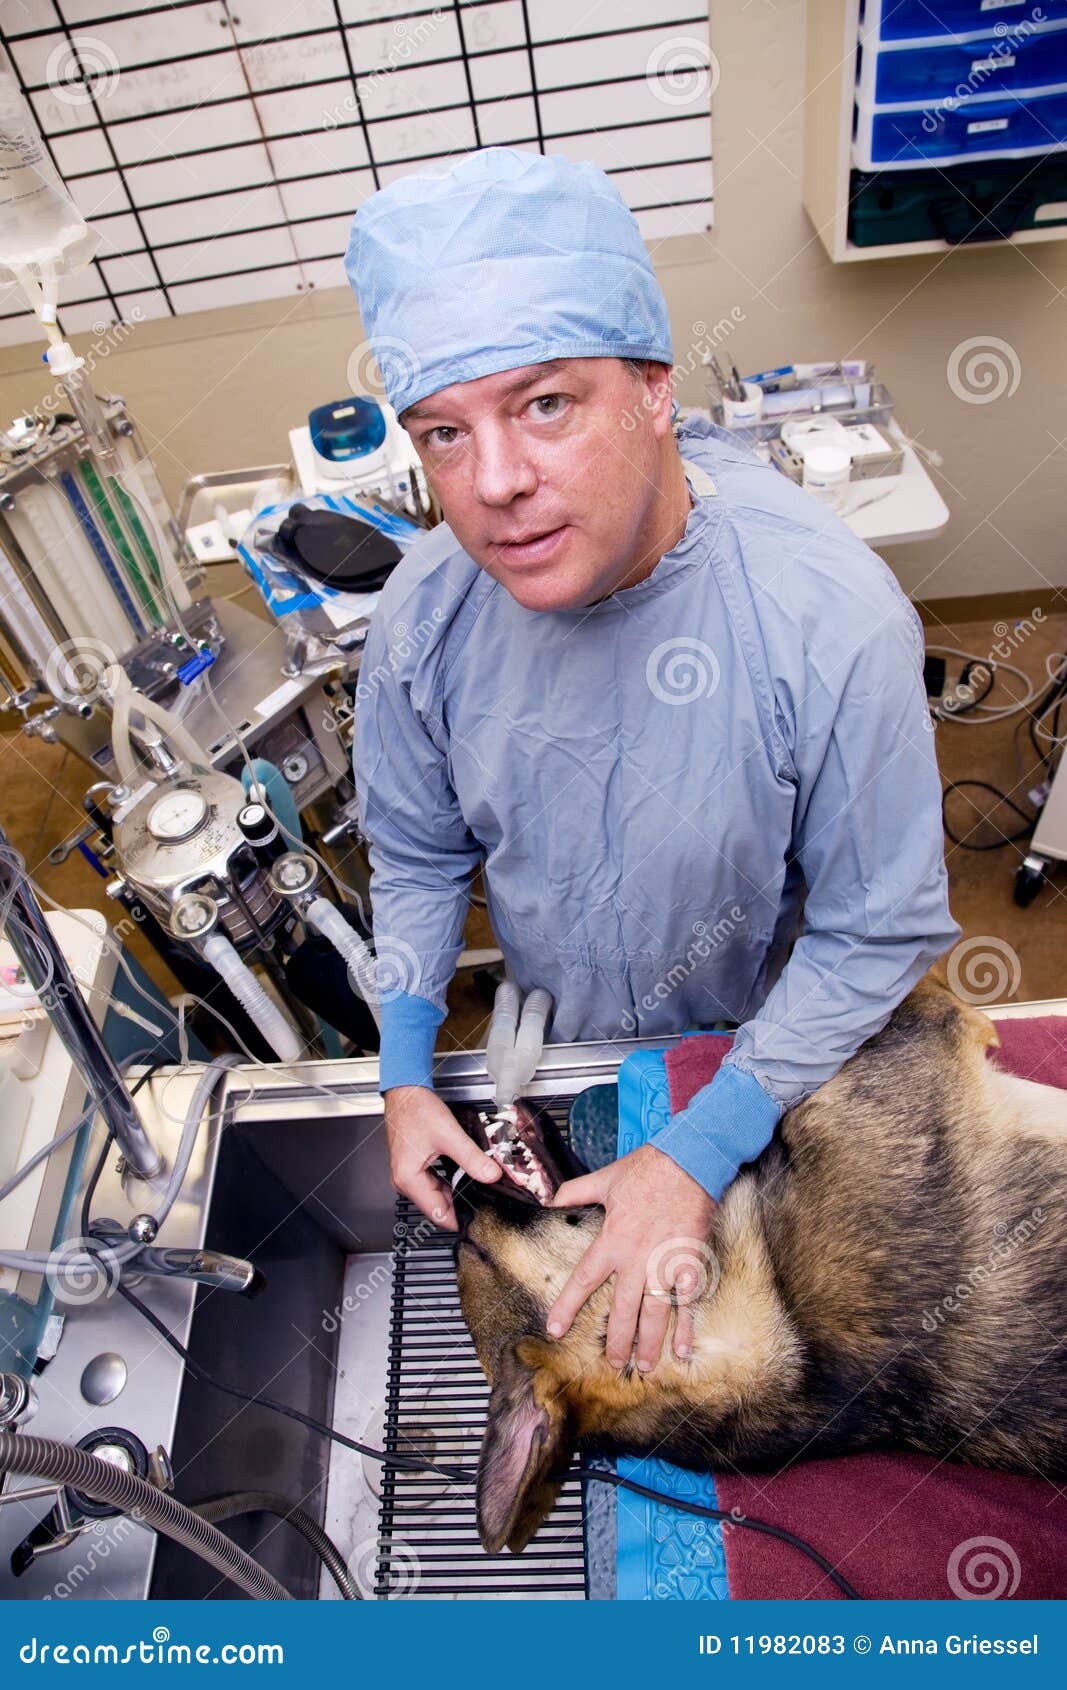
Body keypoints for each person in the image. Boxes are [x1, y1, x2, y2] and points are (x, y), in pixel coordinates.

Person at [344, 146, 959, 1374]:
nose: (496, 485)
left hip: (780, 1062)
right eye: (444, 434)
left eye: (546, 405)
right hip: (578, 1044)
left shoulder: (824, 621)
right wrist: (404, 1070)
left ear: (653, 390)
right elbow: (415, 849)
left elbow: (875, 931)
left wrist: (702, 1139)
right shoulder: (426, 615)